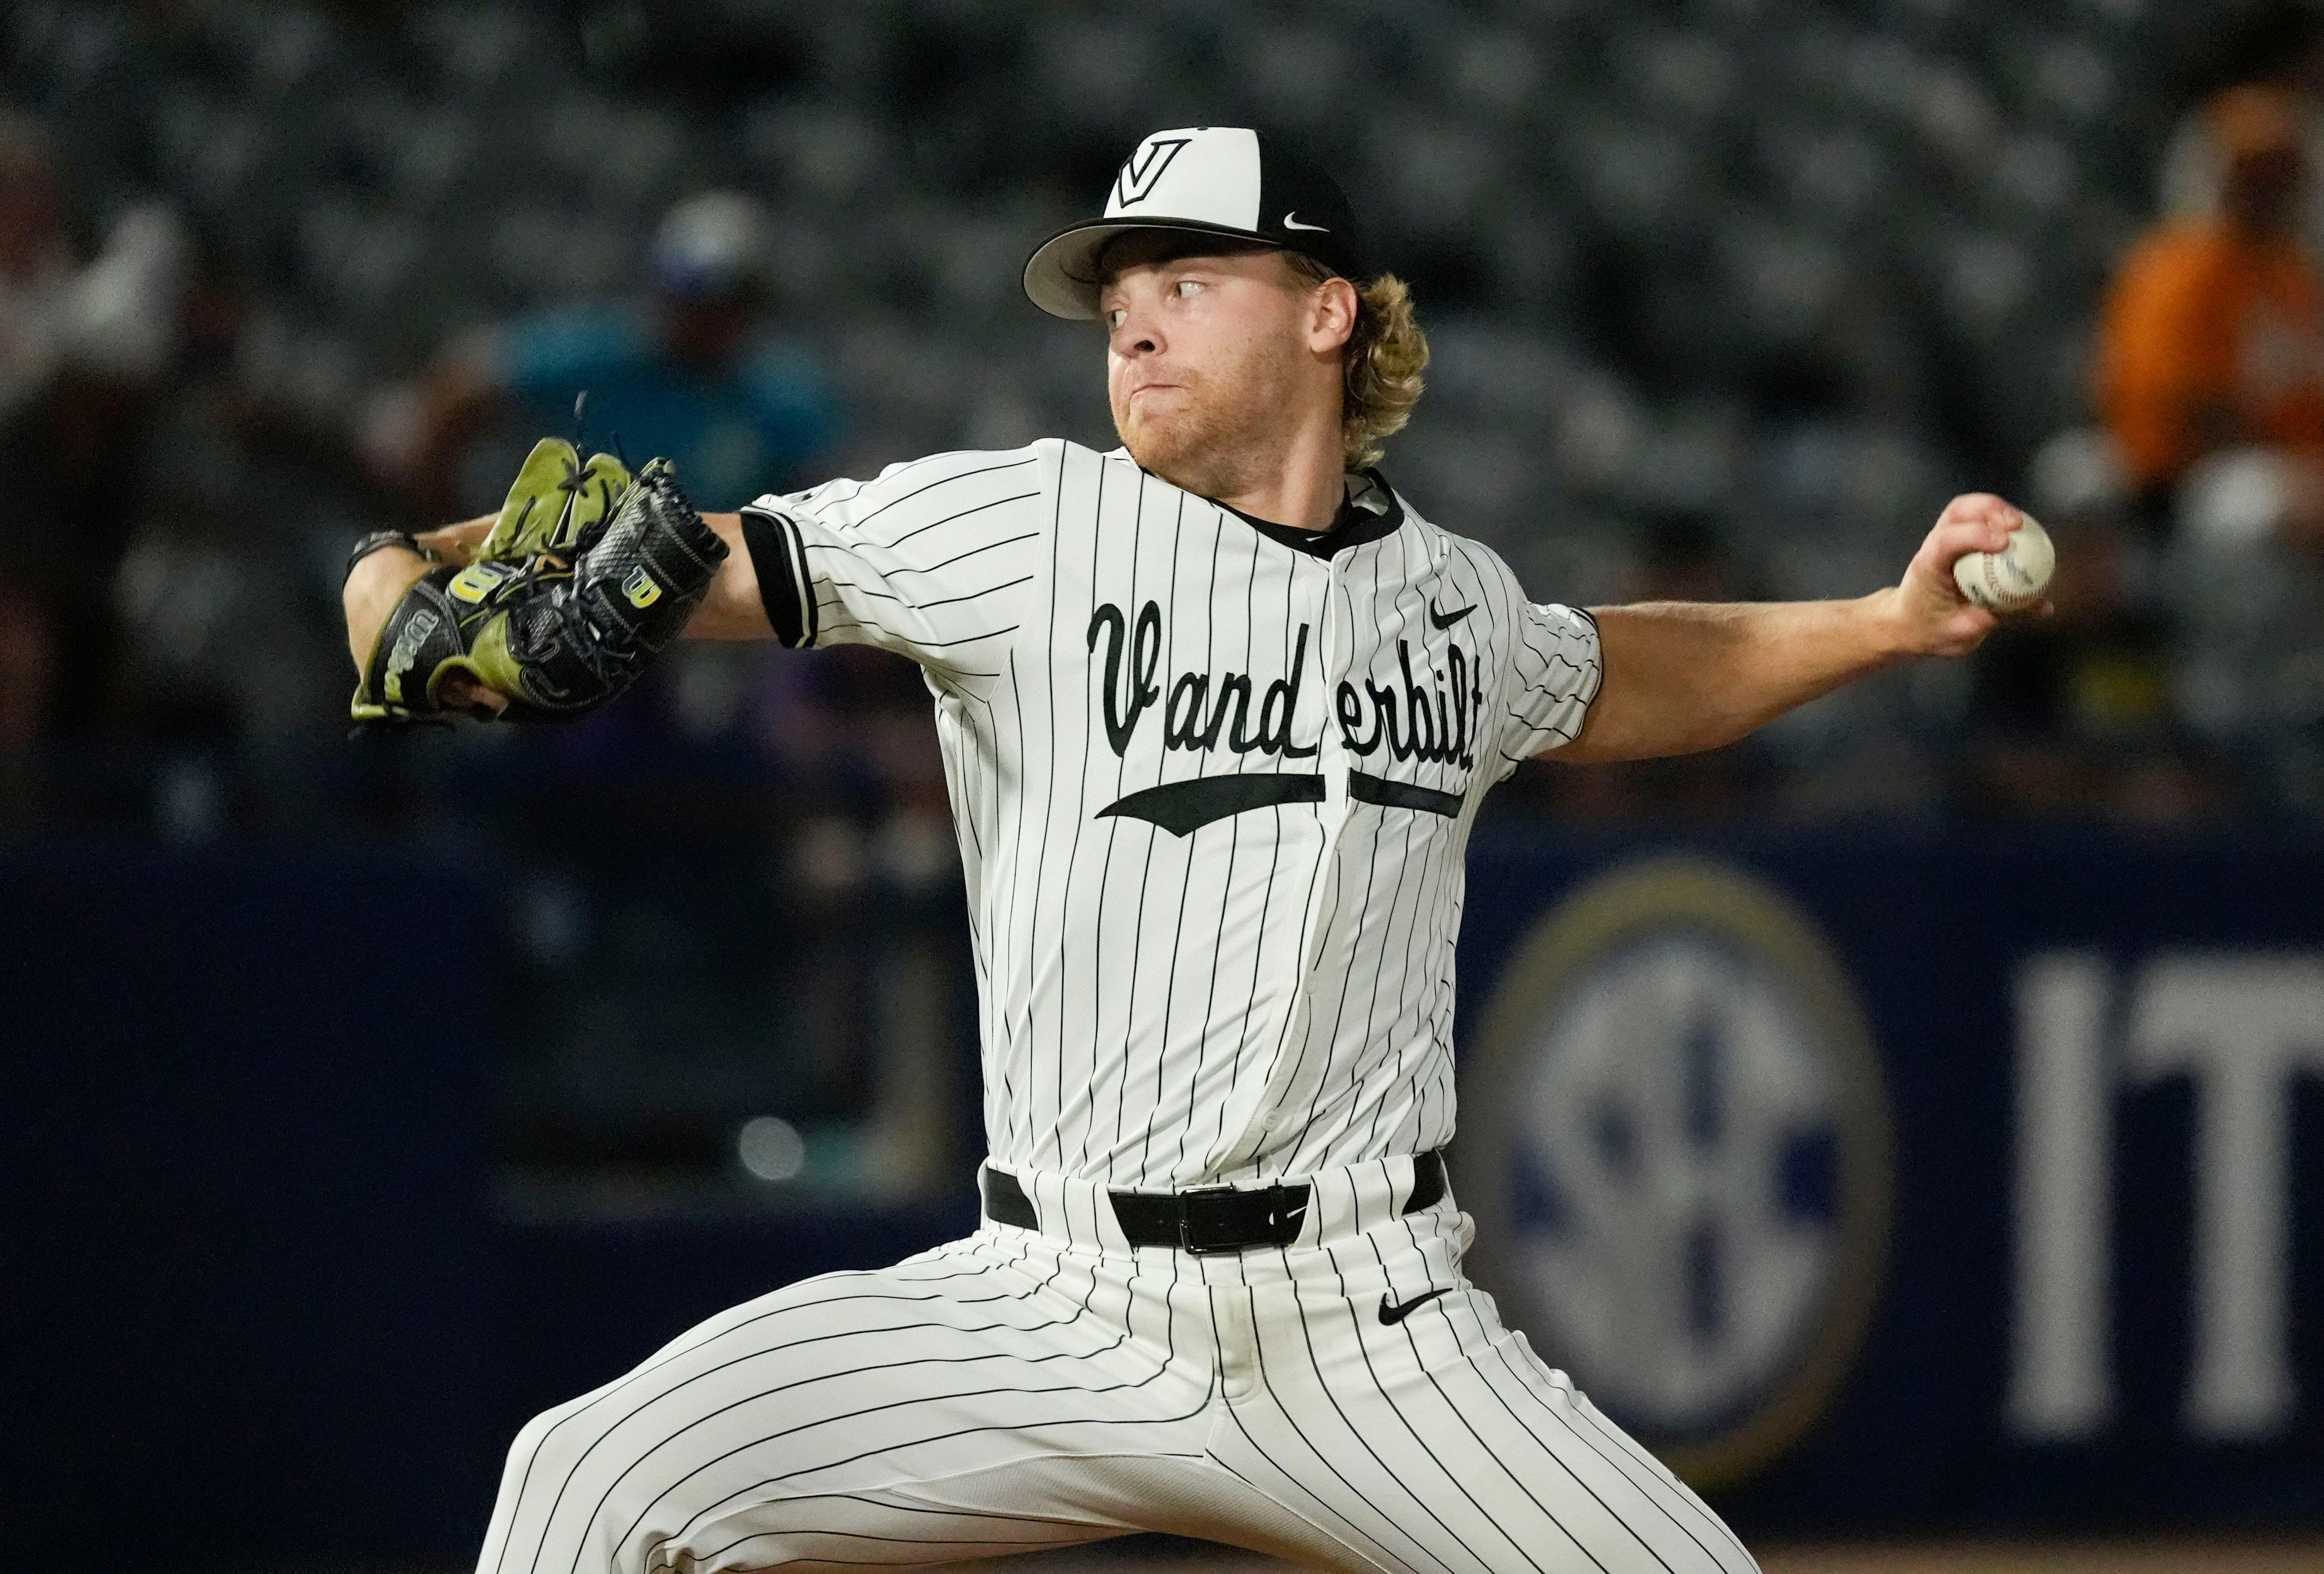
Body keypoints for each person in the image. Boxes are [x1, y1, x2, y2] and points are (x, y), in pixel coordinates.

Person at [346, 128, 2039, 1574]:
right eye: (1115, 296)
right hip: (1048, 1301)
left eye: (1180, 282)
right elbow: (671, 554)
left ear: (1324, 313)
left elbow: (1630, 671)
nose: (1129, 325)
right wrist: (392, 564)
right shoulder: (1022, 524)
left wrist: (1875, 626)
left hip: (1369, 1326)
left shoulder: (1449, 602)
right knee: (584, 1483)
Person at [398, 189, 837, 518]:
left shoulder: (782, 400)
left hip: (687, 600)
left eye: (723, 303)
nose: (700, 318)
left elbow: (817, 510)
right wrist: (439, 512)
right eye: (688, 296)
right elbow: (466, 383)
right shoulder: (601, 353)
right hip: (545, 558)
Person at [2097, 86, 2324, 542]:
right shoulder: (2175, 267)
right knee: (2274, 497)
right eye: (2254, 173)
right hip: (2187, 481)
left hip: (2290, 467)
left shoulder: (2294, 274)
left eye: (2282, 172)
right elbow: (2194, 409)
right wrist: (2295, 469)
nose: (2270, 187)